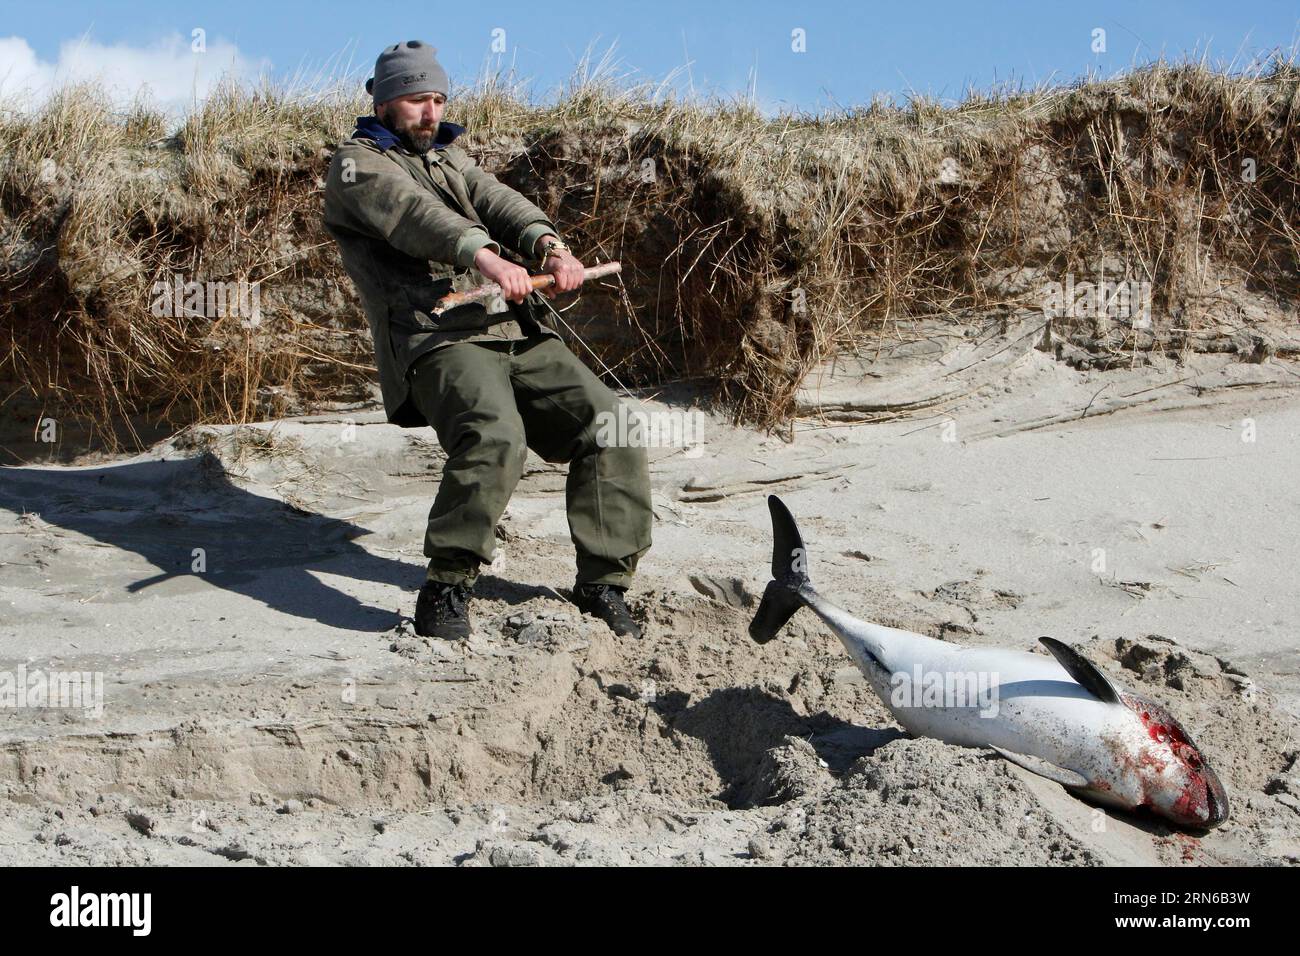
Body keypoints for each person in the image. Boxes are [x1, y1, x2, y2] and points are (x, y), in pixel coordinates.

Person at [323, 40, 652, 640]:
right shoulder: (354, 165)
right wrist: (489, 260)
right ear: (385, 99)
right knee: (496, 437)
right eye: (418, 99)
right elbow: (416, 215)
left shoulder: (449, 154)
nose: (431, 112)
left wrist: (548, 245)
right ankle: (447, 585)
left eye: (439, 98)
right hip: (435, 339)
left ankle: (604, 582)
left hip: (510, 328)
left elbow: (498, 200)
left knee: (613, 424)